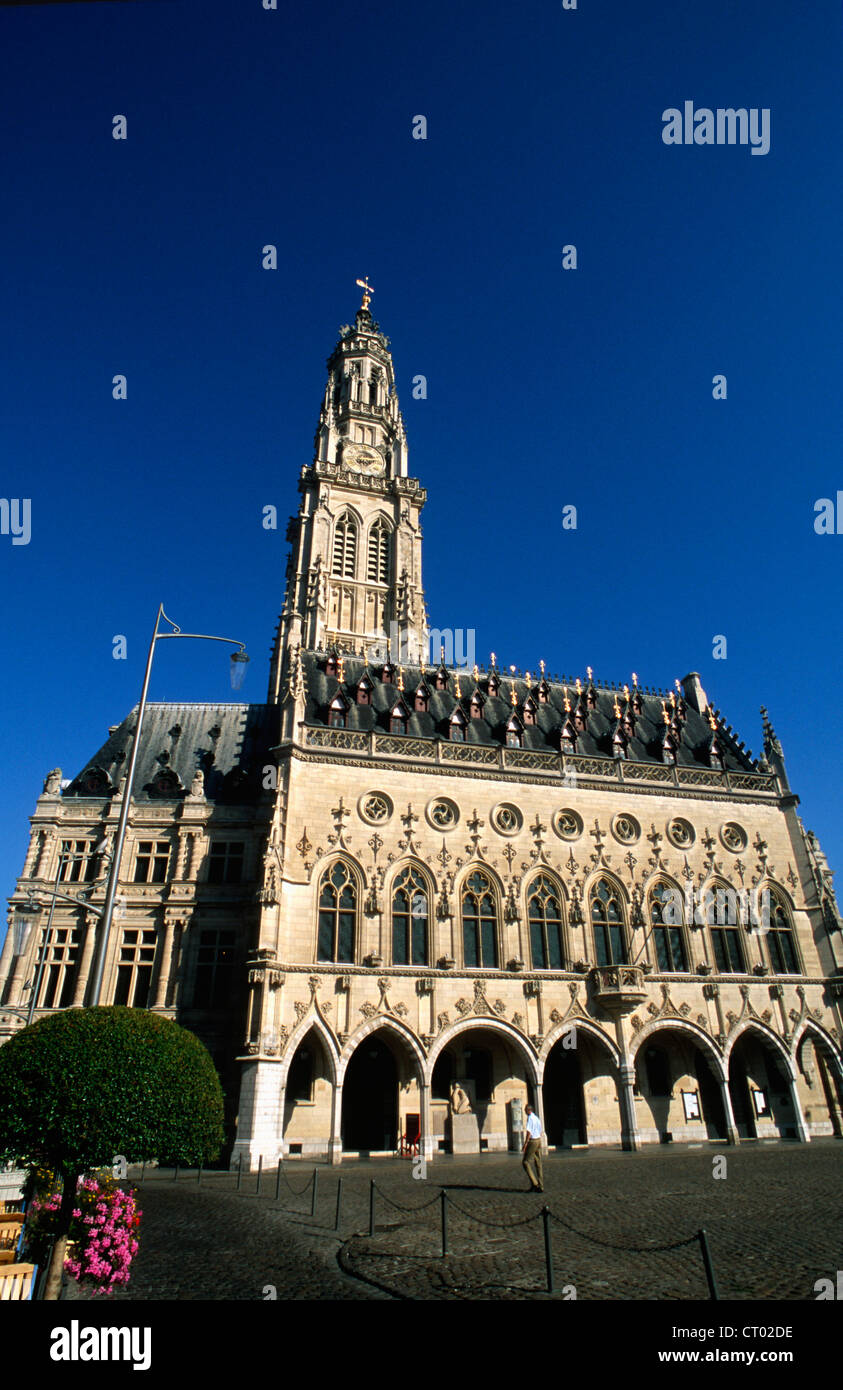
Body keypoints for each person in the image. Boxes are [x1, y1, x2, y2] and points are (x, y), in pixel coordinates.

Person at [522, 1103, 543, 1192]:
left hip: (533, 1141)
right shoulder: (537, 1118)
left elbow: (529, 1132)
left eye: (525, 1110)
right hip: (538, 1140)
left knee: (525, 1162)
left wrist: (525, 1144)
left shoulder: (530, 1118)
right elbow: (540, 1130)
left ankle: (534, 1183)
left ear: (528, 1110)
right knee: (538, 1163)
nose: (525, 1112)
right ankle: (541, 1185)